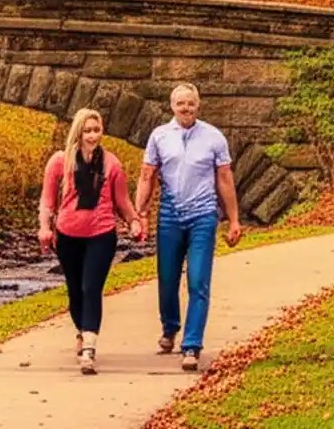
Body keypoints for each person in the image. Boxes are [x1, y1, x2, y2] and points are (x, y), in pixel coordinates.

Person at [134, 83, 242, 372]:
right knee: (167, 280)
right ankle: (170, 328)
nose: (186, 108)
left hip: (203, 216)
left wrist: (233, 219)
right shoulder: (159, 136)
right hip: (170, 215)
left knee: (198, 281)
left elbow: (224, 179)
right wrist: (140, 213)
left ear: (198, 105)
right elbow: (147, 176)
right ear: (172, 106)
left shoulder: (213, 137)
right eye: (181, 103)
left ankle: (192, 344)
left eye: (190, 103)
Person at [38, 108, 143, 375]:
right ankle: (82, 331)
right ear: (78, 132)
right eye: (88, 130)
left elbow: (122, 200)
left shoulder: (111, 164)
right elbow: (48, 201)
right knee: (75, 290)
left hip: (101, 234)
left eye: (97, 130)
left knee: (91, 287)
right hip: (69, 235)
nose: (93, 136)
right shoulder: (61, 162)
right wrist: (44, 228)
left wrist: (134, 221)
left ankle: (89, 348)